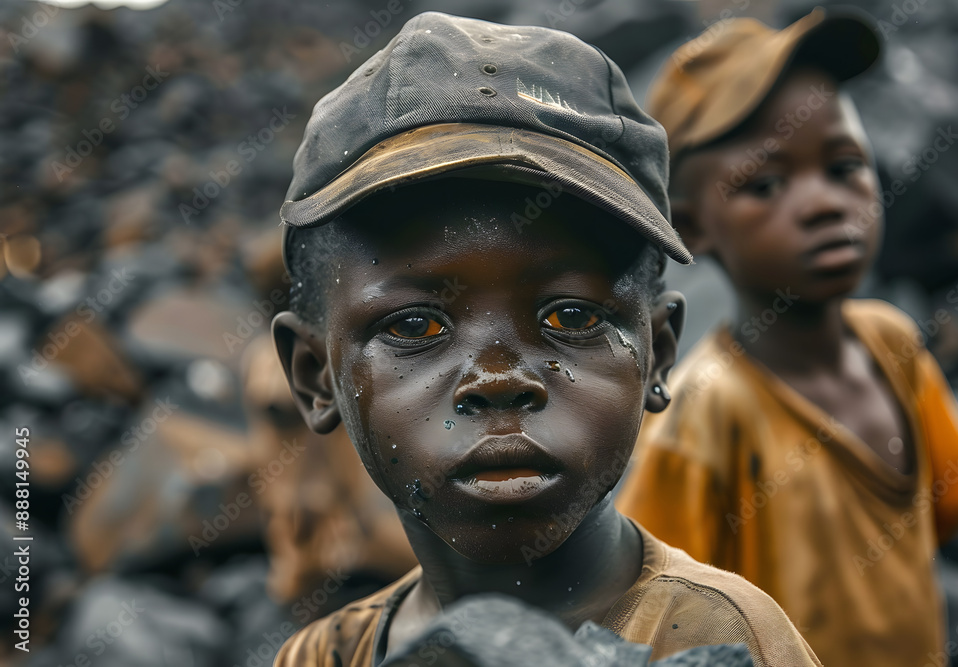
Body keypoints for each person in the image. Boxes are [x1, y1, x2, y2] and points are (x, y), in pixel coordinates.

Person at [270, 11, 819, 667]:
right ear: (315, 374)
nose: (500, 377)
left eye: (573, 317)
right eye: (415, 325)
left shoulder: (720, 639)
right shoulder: (325, 655)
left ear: (658, 354)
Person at [616, 9, 958, 667]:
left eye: (845, 164)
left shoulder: (893, 345)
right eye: (765, 184)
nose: (825, 202)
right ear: (690, 227)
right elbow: (659, 623)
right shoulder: (702, 418)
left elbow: (956, 520)